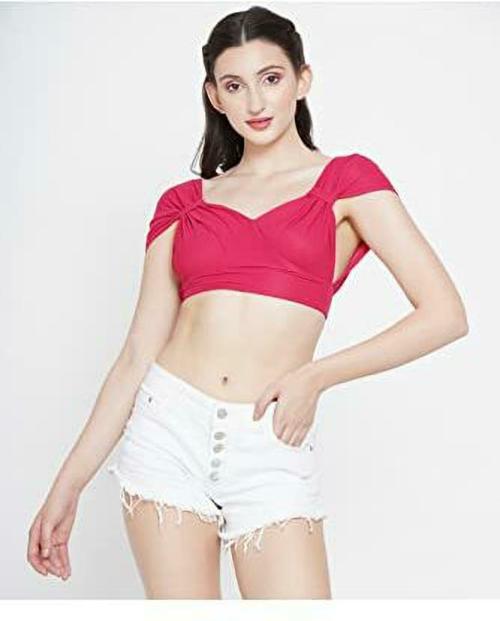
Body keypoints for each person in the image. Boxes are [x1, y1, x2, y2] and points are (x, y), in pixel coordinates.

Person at [27, 5, 468, 600]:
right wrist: (68, 485)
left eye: (271, 78)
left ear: (302, 80)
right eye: (234, 85)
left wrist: (316, 376)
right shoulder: (184, 203)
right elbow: (136, 355)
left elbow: (444, 314)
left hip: (270, 440)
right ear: (215, 96)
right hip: (168, 430)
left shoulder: (347, 182)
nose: (255, 102)